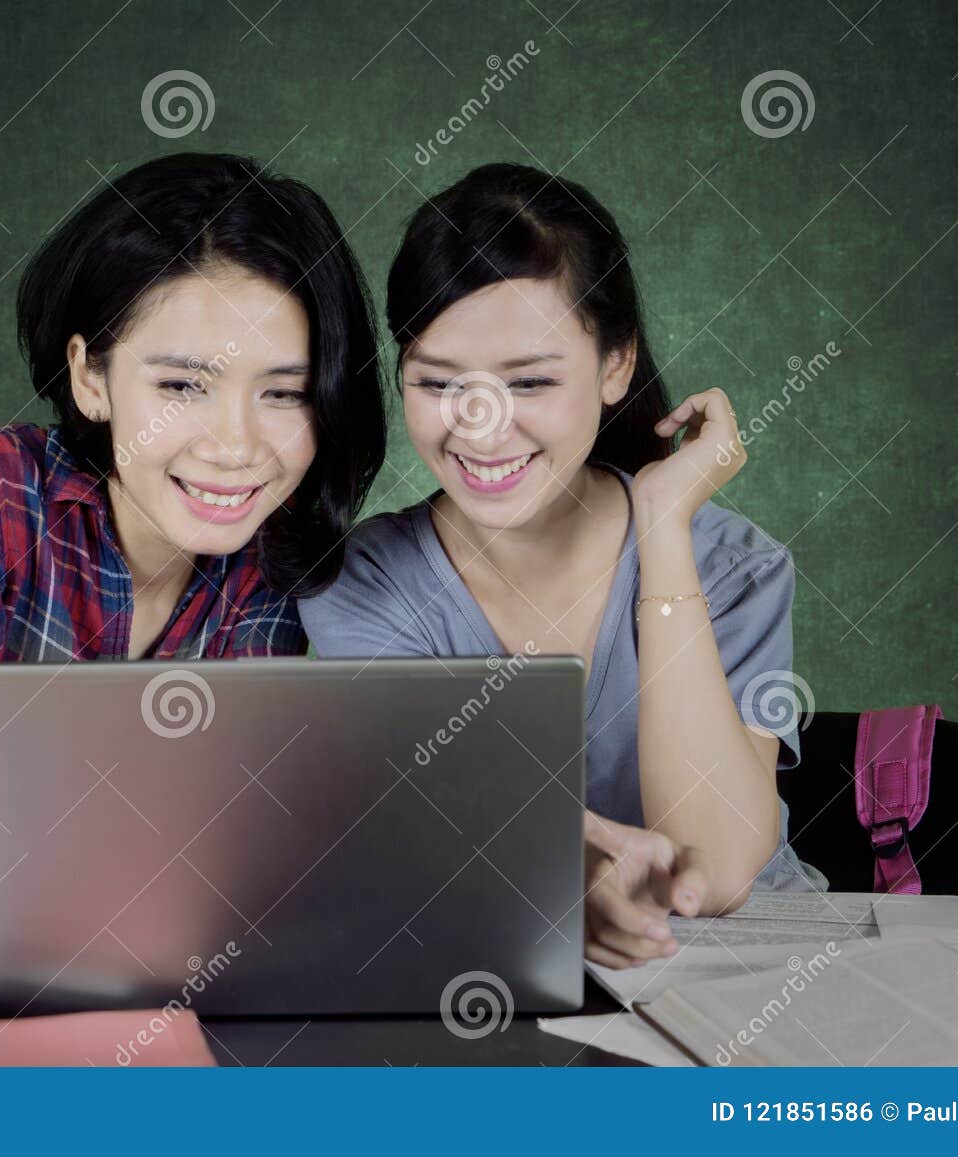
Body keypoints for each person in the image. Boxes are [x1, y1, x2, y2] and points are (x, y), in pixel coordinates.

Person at [0, 153, 386, 909]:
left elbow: (235, 837)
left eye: (285, 392)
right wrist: (194, 876)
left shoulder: (263, 561)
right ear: (90, 377)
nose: (236, 446)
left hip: (121, 982)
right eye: (183, 385)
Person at [299, 162, 827, 970]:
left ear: (616, 365)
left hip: (751, 975)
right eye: (439, 382)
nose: (479, 427)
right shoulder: (366, 582)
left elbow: (711, 873)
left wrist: (662, 524)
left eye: (531, 380)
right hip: (495, 977)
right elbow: (425, 845)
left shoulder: (736, 569)